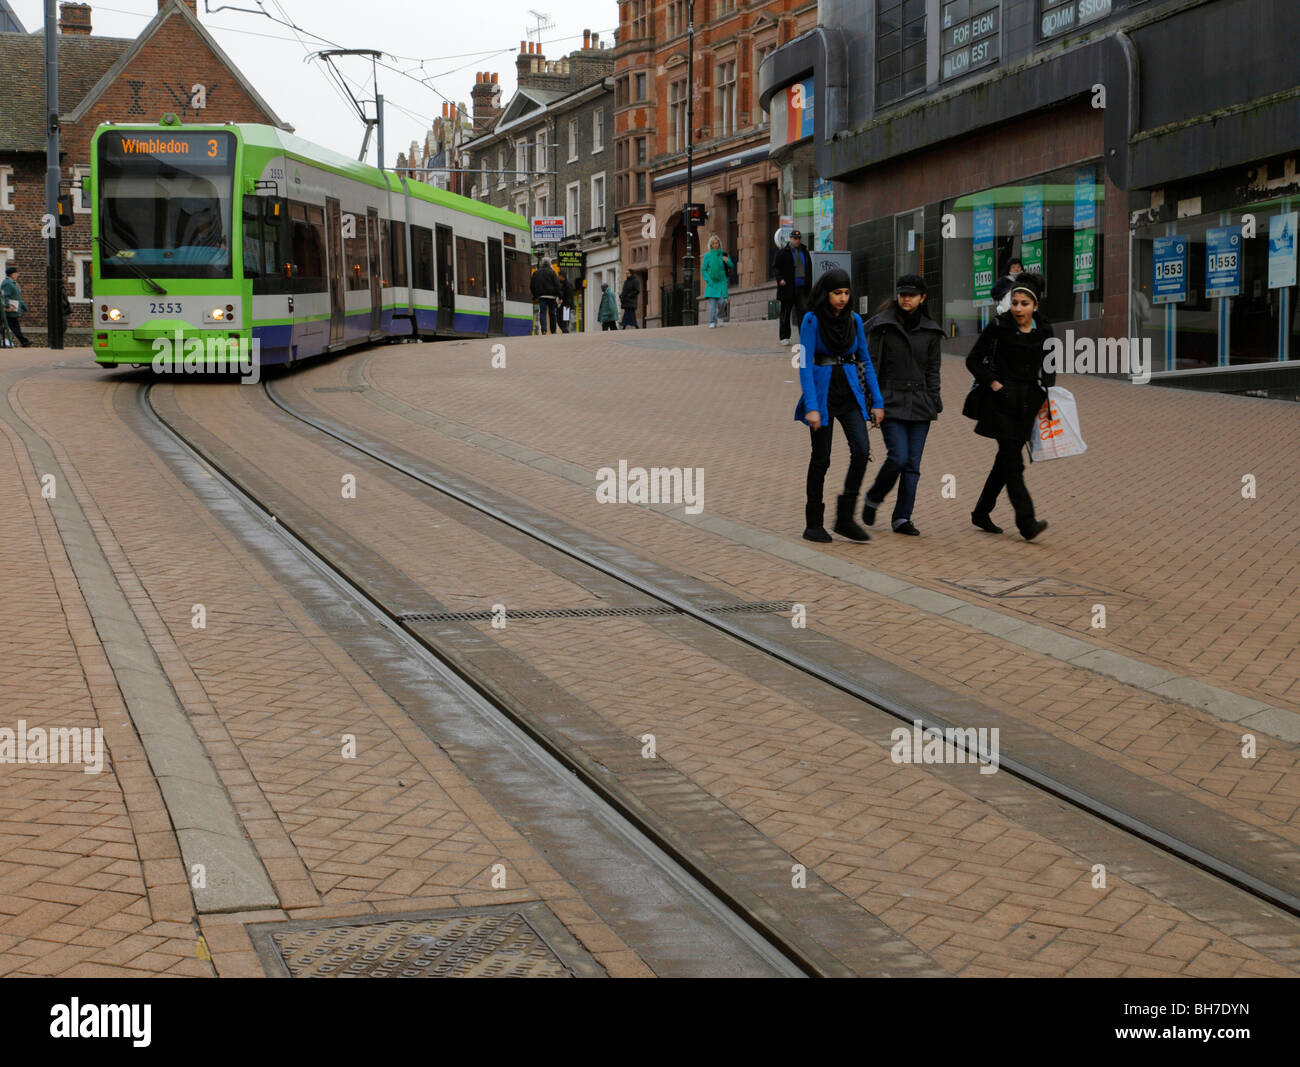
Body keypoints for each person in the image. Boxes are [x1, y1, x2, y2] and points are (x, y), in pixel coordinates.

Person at [794, 267, 884, 543]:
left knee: (862, 450)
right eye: (837, 293)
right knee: (821, 458)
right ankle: (814, 523)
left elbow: (865, 361)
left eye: (846, 293)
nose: (842, 298)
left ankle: (845, 518)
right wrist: (811, 406)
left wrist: (877, 402)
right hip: (822, 397)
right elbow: (805, 364)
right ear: (826, 293)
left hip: (849, 396)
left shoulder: (854, 320)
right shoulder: (811, 320)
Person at [965, 272, 1054, 540]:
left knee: (1005, 461)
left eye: (1024, 304)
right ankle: (1027, 522)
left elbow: (1050, 367)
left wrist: (1048, 394)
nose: (1018, 308)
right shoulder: (998, 325)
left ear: (1035, 306)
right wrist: (994, 384)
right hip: (1001, 400)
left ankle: (981, 511)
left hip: (1028, 403)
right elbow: (973, 360)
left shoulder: (1045, 329)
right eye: (1014, 302)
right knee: (1013, 463)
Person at [861, 274, 944, 536]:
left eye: (912, 294)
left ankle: (902, 518)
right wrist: (873, 401)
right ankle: (873, 498)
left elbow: (933, 370)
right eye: (902, 293)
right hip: (890, 401)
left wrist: (934, 398)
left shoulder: (931, 330)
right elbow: (871, 365)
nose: (906, 298)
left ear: (922, 298)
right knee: (898, 457)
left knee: (912, 465)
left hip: (921, 403)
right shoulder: (882, 326)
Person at [774, 229, 813, 346]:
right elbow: (776, 268)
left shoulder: (804, 252)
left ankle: (804, 335)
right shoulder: (783, 252)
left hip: (802, 288)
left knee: (804, 312)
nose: (797, 241)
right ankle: (784, 336)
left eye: (799, 238)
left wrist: (809, 284)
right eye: (795, 238)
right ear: (790, 239)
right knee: (786, 312)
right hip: (787, 288)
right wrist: (780, 279)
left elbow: (809, 269)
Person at [701, 235, 733, 328]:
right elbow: (703, 269)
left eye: (717, 243)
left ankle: (720, 317)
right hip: (711, 283)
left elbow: (731, 265)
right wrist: (708, 280)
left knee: (722, 302)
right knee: (712, 306)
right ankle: (712, 322)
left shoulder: (723, 254)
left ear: (719, 243)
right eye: (713, 243)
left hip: (722, 281)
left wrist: (727, 261)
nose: (715, 245)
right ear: (711, 245)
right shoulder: (707, 256)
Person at [2, 266, 32, 347]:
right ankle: (24, 342)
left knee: (15, 327)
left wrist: (24, 307)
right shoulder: (7, 283)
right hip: (10, 310)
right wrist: (8, 306)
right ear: (12, 274)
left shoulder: (13, 283)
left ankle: (24, 342)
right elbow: (6, 296)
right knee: (15, 327)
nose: (17, 275)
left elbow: (18, 297)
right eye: (16, 273)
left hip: (13, 309)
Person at [530, 257, 560, 334]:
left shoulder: (536, 273)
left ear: (542, 263)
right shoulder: (552, 272)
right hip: (552, 296)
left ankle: (544, 329)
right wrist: (558, 295)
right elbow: (557, 284)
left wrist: (535, 295)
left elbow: (532, 285)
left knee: (542, 312)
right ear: (550, 264)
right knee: (552, 312)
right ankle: (553, 330)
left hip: (541, 296)